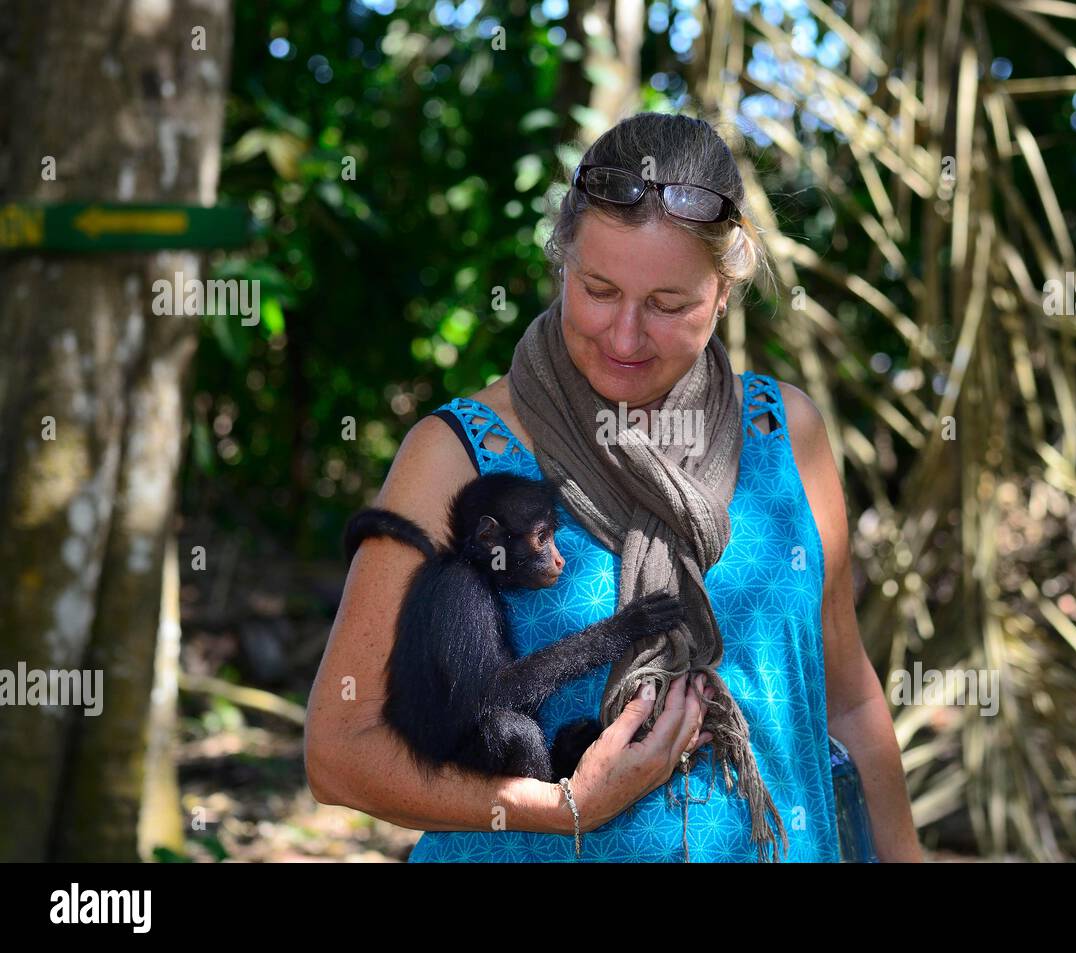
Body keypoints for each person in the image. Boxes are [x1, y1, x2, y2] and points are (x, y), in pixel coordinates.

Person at [304, 111, 923, 862]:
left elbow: (847, 697)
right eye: (598, 289)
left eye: (669, 305)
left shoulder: (787, 433)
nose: (626, 338)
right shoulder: (458, 455)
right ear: (561, 260)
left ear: (724, 291)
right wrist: (561, 805)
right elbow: (340, 749)